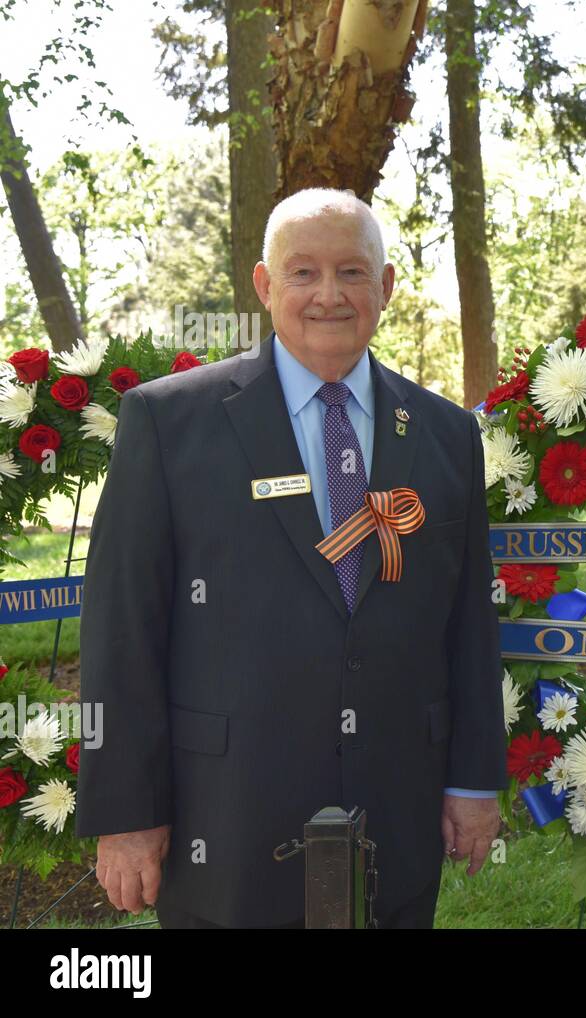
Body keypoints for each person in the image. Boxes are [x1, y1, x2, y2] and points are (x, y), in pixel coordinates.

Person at [75, 188, 506, 928]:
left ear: (387, 286)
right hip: (227, 815)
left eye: (352, 271)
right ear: (266, 286)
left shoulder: (444, 433)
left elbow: (468, 623)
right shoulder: (168, 423)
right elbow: (121, 631)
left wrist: (474, 781)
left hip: (394, 807)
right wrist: (127, 813)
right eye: (303, 273)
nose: (329, 294)